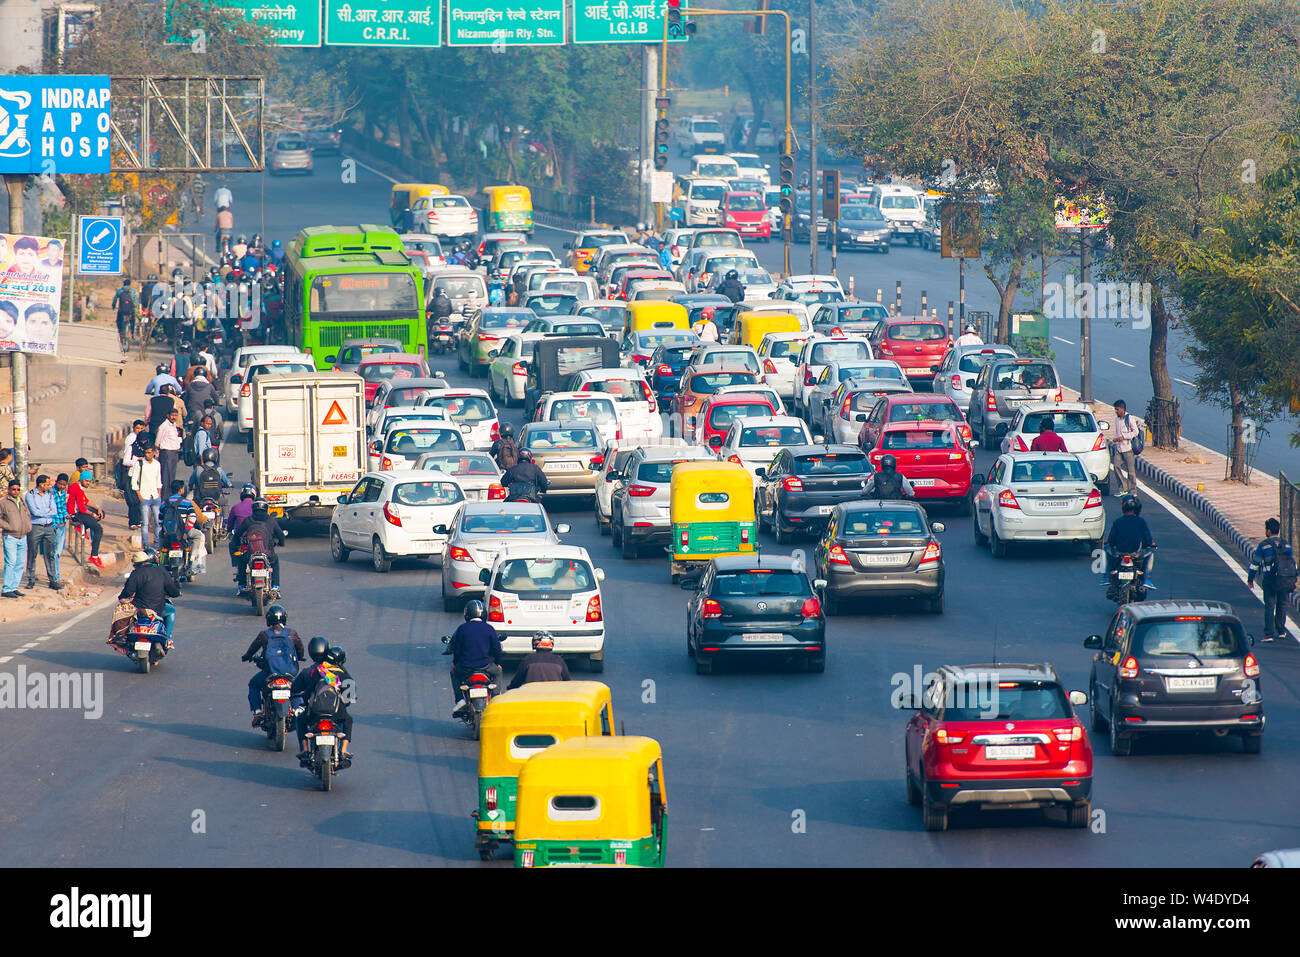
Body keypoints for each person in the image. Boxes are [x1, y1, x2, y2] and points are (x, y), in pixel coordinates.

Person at [290, 637, 353, 763]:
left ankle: (305, 749)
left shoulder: (315, 672)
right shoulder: (343, 673)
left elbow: (301, 691)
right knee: (348, 720)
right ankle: (344, 750)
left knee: (300, 720)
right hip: (336, 712)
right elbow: (350, 697)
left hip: (314, 712)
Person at [240, 604, 304, 724]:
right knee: (296, 688)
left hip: (270, 674)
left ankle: (258, 711)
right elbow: (300, 649)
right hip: (289, 673)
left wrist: (247, 656)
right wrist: (300, 657)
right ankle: (297, 708)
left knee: (253, 684)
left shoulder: (264, 635)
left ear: (268, 619)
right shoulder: (292, 634)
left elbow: (253, 648)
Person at [444, 600, 503, 716]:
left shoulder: (462, 629)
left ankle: (460, 700)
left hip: (465, 667)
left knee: (454, 674)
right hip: (486, 666)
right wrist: (498, 663)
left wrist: (455, 664)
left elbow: (457, 650)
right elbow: (497, 649)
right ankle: (496, 698)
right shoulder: (489, 628)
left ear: (467, 614)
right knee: (498, 673)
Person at [1247, 518, 1297, 642]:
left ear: (1268, 531)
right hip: (1285, 579)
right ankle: (1281, 630)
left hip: (1270, 579)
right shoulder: (1286, 545)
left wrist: (1250, 579)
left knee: (1270, 605)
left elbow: (1255, 563)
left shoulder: (1263, 545)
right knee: (1282, 604)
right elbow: (1293, 564)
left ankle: (1269, 633)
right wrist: (1293, 580)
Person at [119, 549, 180, 643]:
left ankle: (122, 636)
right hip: (158, 608)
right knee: (171, 611)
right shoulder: (161, 571)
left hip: (140, 609)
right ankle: (168, 638)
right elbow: (171, 589)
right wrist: (177, 593)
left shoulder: (136, 574)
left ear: (136, 564)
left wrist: (122, 598)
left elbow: (127, 592)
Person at [233, 498, 285, 598]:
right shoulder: (271, 520)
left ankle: (242, 585)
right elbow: (281, 535)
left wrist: (236, 544)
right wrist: (281, 543)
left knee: (241, 560)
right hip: (268, 554)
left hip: (250, 554)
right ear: (266, 508)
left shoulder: (248, 520)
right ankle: (275, 586)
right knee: (275, 561)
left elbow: (237, 535)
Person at [1102, 494, 1155, 586]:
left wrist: (1108, 542)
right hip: (1135, 553)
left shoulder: (1118, 522)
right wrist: (1151, 544)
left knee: (1106, 550)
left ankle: (1106, 577)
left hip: (1119, 553)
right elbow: (1147, 540)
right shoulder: (1140, 521)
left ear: (1123, 506)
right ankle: (1146, 579)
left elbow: (1111, 541)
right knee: (1150, 553)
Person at [159, 480, 209, 575]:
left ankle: (161, 561)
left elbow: (160, 519)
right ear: (181, 490)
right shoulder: (187, 502)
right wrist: (186, 532)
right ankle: (192, 559)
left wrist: (163, 531)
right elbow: (193, 518)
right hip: (183, 533)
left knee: (160, 541)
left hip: (168, 533)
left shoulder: (165, 503)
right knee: (198, 535)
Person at [66, 460, 106, 569]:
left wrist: (97, 509)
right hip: (74, 514)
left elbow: (86, 501)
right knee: (98, 529)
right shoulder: (76, 488)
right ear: (82, 480)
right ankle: (94, 555)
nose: (88, 484)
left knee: (102, 513)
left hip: (79, 511)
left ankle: (87, 525)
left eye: (89, 482)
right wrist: (92, 515)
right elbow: (82, 509)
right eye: (87, 481)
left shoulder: (79, 487)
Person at [24, 474, 61, 590]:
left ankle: (53, 579)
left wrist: (44, 511)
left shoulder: (49, 495)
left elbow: (54, 510)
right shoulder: (30, 495)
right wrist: (47, 510)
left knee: (50, 554)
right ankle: (31, 579)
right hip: (36, 527)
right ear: (41, 484)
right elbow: (35, 512)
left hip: (48, 526)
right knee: (32, 553)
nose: (49, 486)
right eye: (47, 484)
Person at [1, 479, 33, 598]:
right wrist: (8, 526)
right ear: (9, 489)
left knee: (20, 563)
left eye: (18, 489)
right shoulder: (3, 502)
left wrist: (28, 526)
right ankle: (7, 588)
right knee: (11, 562)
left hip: (23, 536)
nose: (16, 491)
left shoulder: (21, 501)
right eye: (13, 489)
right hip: (10, 536)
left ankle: (14, 587)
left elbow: (27, 515)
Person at [131, 444, 164, 549]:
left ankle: (157, 544)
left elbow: (158, 480)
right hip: (144, 496)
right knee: (145, 523)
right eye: (146, 452)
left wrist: (159, 494)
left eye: (149, 452)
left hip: (155, 496)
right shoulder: (139, 464)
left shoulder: (157, 464)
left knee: (158, 522)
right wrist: (140, 496)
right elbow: (134, 482)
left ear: (154, 453)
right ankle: (146, 545)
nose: (147, 455)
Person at [119, 421, 147, 530]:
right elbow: (126, 461)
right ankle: (133, 522)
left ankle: (140, 521)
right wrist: (137, 461)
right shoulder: (132, 444)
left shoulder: (146, 448)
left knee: (141, 501)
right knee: (133, 501)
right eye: (137, 428)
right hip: (131, 476)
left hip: (143, 478)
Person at [1110, 399, 1140, 496]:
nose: (1116, 411)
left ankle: (1132, 490)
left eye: (1117, 409)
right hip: (1119, 449)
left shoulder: (1129, 418)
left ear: (1122, 409)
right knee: (1116, 466)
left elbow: (1135, 432)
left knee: (1130, 471)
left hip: (1128, 449)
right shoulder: (1117, 420)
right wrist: (1116, 440)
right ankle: (1123, 487)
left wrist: (1124, 437)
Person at [155, 408, 184, 494]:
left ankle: (170, 498)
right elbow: (157, 442)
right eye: (172, 415)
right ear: (168, 415)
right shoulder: (164, 426)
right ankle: (164, 499)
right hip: (167, 453)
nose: (174, 417)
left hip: (174, 453)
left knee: (171, 477)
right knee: (166, 478)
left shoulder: (173, 425)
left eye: (176, 415)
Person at [113, 279, 138, 348]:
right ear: (130, 284)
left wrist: (113, 306)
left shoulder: (120, 291)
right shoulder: (132, 291)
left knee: (119, 321)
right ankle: (132, 334)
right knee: (132, 321)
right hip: (131, 311)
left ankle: (120, 332)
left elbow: (115, 299)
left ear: (123, 284)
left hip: (122, 311)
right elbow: (136, 301)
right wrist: (136, 309)